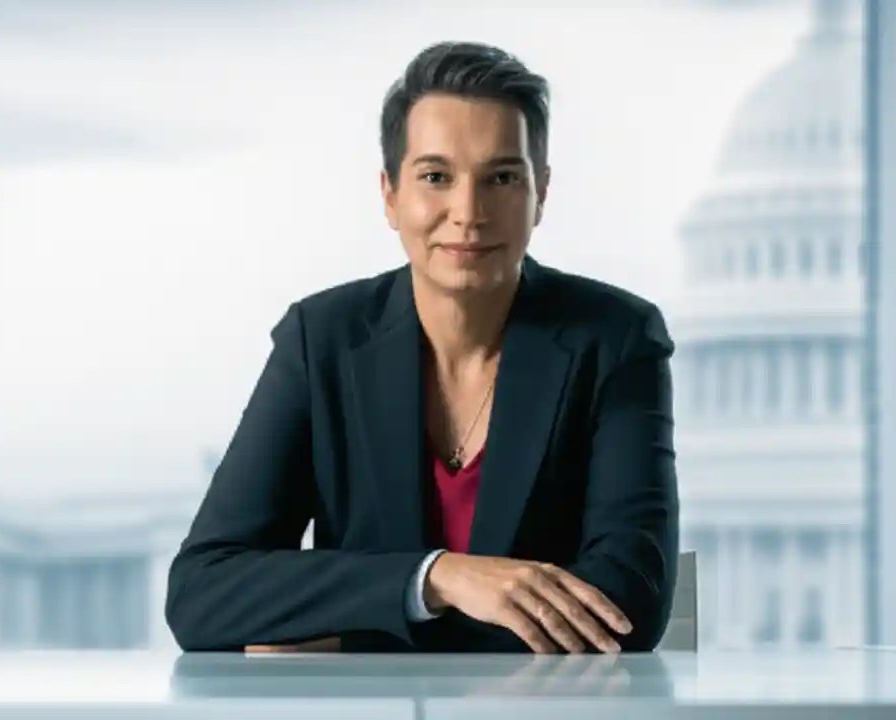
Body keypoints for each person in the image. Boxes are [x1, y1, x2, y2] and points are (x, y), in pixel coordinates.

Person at [165, 41, 679, 654]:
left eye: (502, 178)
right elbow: (202, 592)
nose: (468, 212)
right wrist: (436, 578)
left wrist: (346, 633)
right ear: (390, 195)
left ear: (540, 192)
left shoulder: (616, 338)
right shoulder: (320, 339)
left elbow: (629, 606)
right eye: (436, 177)